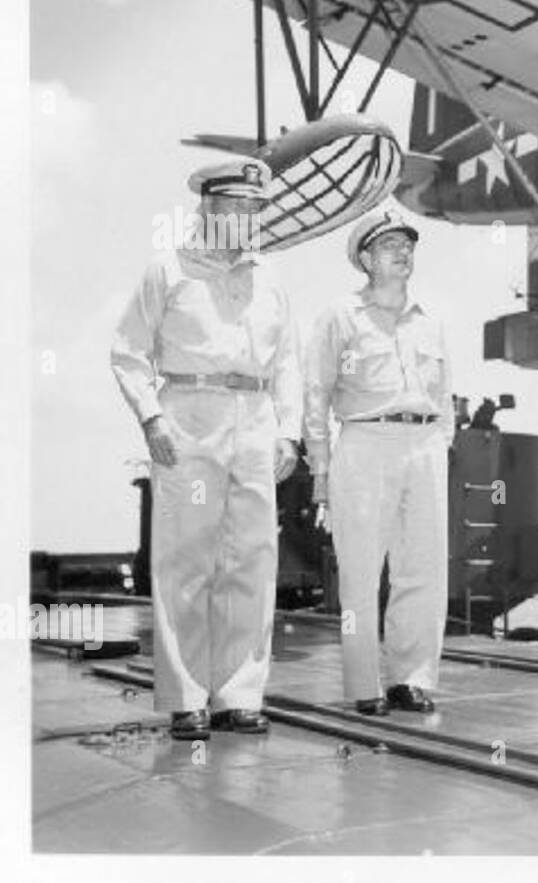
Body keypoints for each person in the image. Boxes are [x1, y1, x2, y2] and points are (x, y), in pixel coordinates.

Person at [110, 158, 302, 739]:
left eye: (253, 209)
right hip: (188, 418)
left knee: (252, 561)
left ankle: (238, 695)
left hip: (255, 421)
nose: (245, 219)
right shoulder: (167, 270)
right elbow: (128, 352)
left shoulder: (269, 280)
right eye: (234, 208)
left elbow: (288, 361)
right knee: (186, 562)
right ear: (207, 210)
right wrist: (150, 418)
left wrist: (289, 431)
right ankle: (187, 698)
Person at [304, 208, 452, 716]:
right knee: (361, 572)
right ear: (365, 258)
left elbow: (446, 393)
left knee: (423, 569)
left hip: (425, 443)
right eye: (389, 245)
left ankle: (410, 679)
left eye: (407, 243)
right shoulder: (340, 316)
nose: (402, 252)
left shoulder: (431, 317)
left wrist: (441, 444)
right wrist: (320, 471)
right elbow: (315, 394)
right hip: (364, 442)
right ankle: (364, 684)